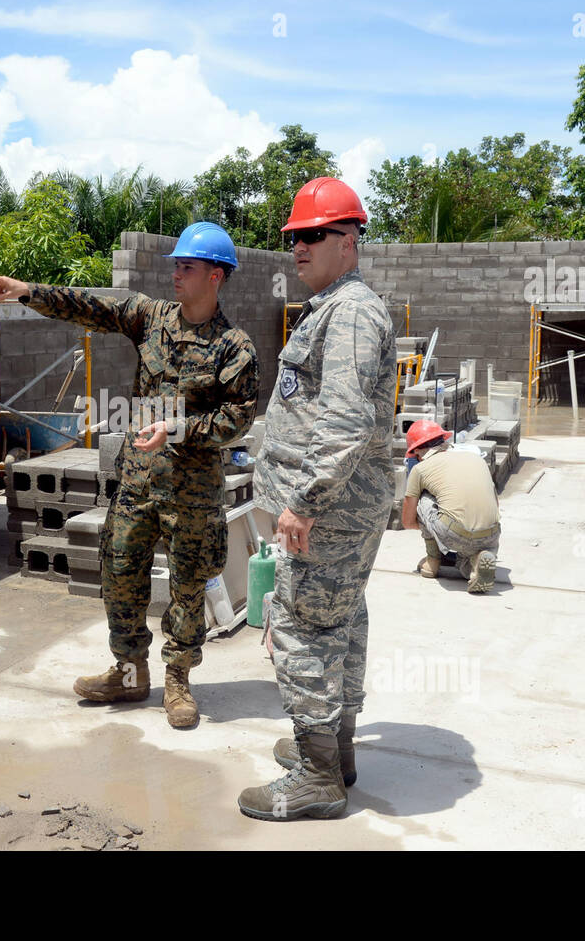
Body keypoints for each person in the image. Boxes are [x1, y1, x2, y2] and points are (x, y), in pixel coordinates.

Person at [0, 222, 259, 729]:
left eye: (188, 267)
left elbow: (237, 420)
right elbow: (94, 306)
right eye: (175, 265)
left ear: (216, 276)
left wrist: (180, 427)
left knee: (189, 586)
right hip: (137, 482)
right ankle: (130, 674)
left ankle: (179, 681)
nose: (176, 274)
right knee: (120, 573)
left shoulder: (234, 348)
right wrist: (29, 293)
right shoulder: (150, 318)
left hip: (192, 493)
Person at [239, 177, 395, 821]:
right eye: (293, 238)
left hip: (329, 511)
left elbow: (345, 419)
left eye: (311, 236)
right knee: (341, 620)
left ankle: (317, 774)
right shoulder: (334, 306)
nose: (297, 249)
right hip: (341, 508)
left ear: (348, 240)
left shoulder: (352, 311)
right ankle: (339, 750)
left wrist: (303, 501)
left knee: (303, 625)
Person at [401, 420, 501, 593]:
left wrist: (435, 532)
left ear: (416, 450)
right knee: (464, 562)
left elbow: (408, 521)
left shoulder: (420, 469)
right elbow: (495, 502)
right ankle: (475, 562)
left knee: (423, 499)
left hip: (454, 534)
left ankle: (432, 562)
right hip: (491, 535)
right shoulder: (475, 458)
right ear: (443, 441)